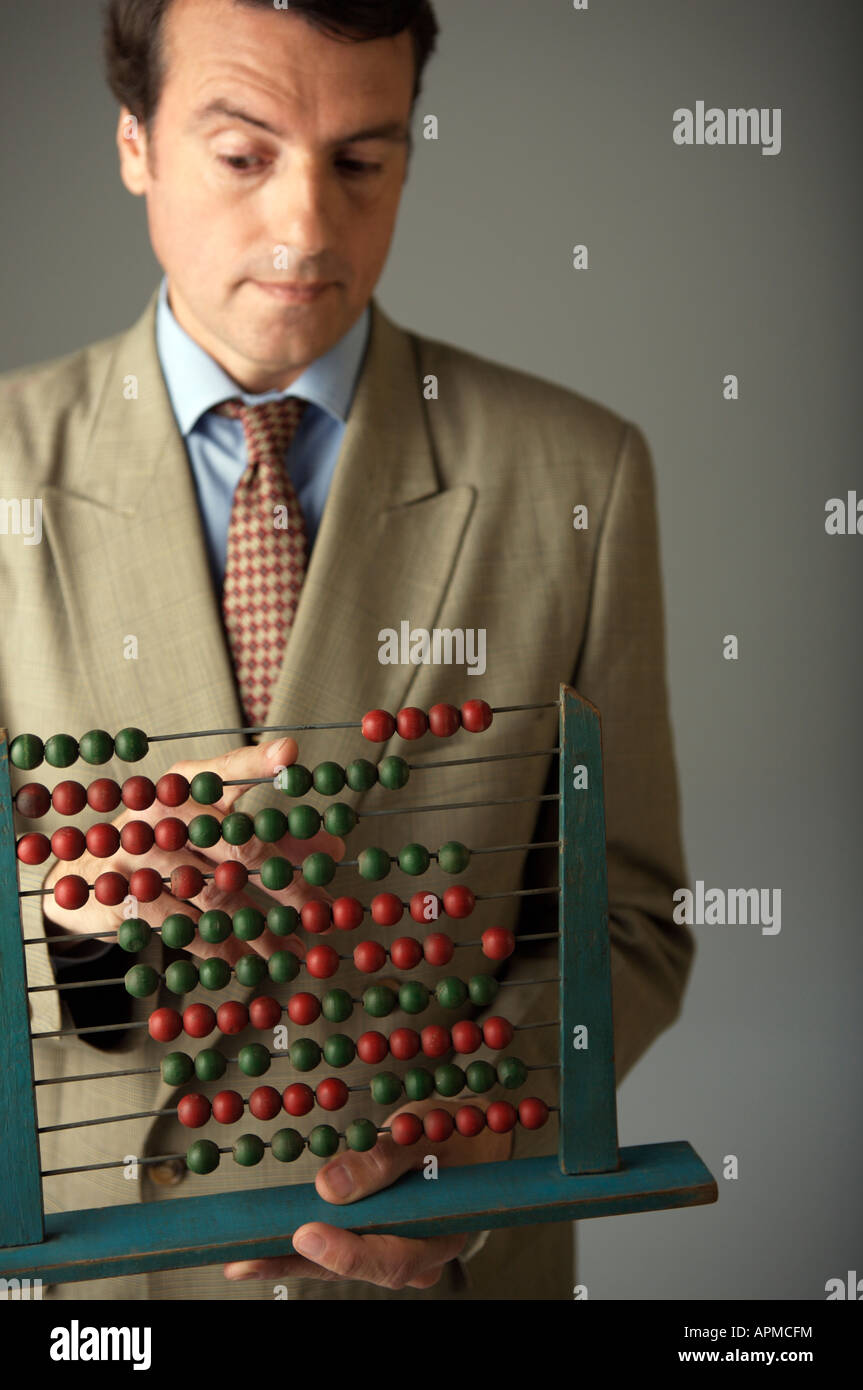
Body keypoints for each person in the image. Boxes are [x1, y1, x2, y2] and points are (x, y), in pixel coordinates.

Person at [0, 0, 695, 1300]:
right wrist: (58, 919)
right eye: (244, 154)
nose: (309, 228)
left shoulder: (577, 475)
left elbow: (637, 915)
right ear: (135, 141)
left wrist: (501, 1126)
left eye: (362, 161)